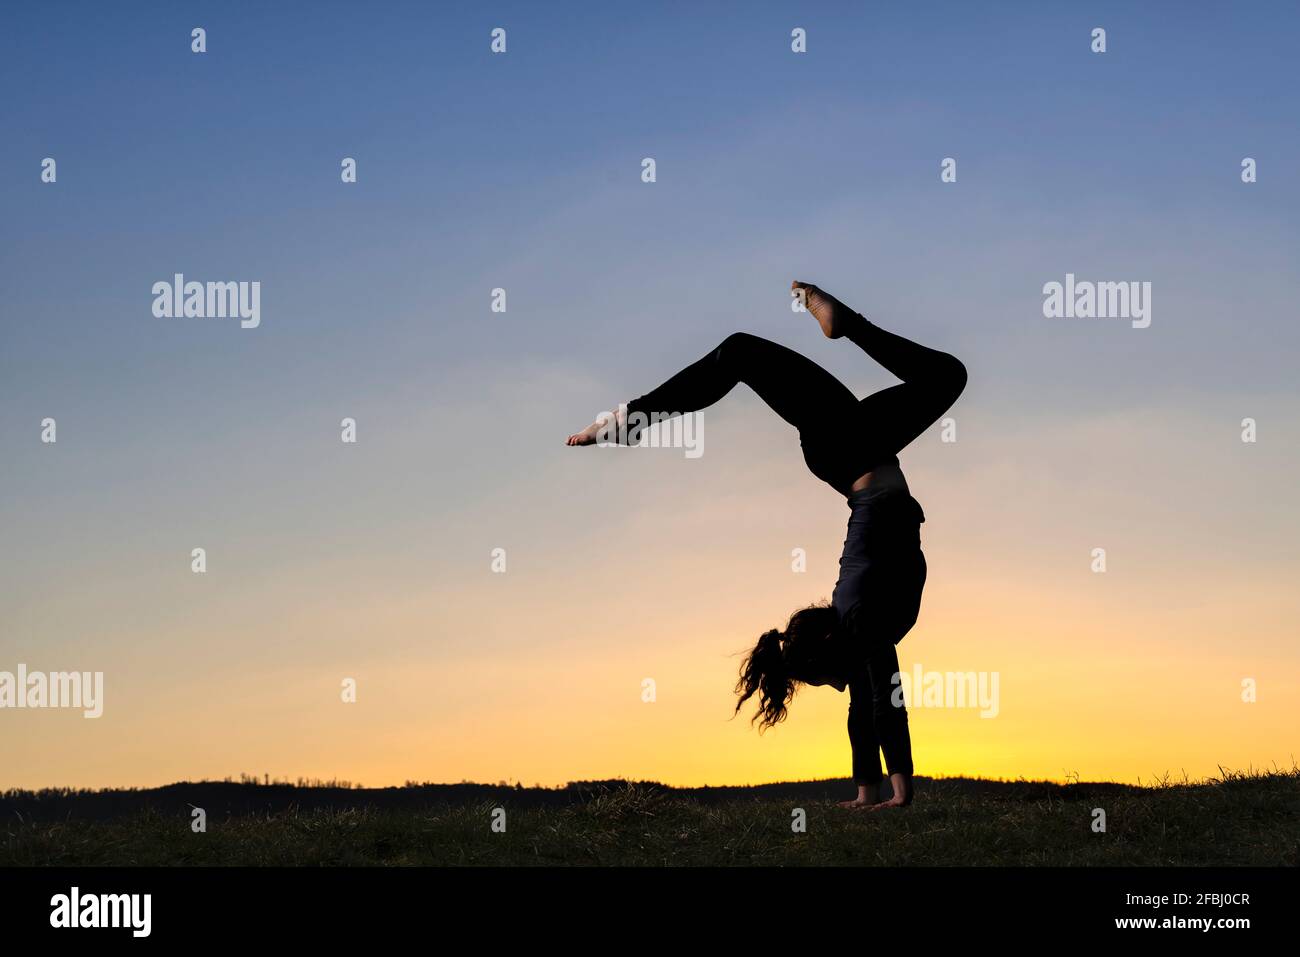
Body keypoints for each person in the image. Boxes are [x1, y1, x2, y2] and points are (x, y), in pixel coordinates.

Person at [566, 282, 967, 810]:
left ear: (830, 649)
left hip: (853, 455)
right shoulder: (862, 625)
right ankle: (846, 327)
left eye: (823, 681)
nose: (834, 686)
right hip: (857, 454)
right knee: (943, 376)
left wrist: (886, 790)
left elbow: (877, 700)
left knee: (741, 352)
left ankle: (630, 422)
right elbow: (879, 701)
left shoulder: (860, 618)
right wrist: (888, 792)